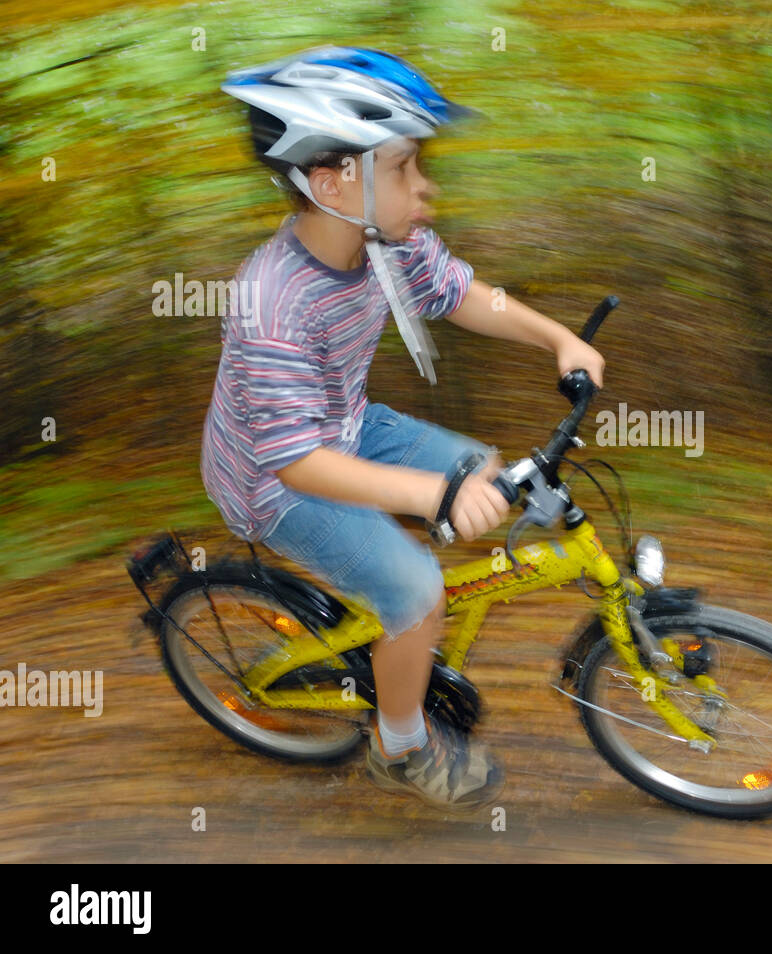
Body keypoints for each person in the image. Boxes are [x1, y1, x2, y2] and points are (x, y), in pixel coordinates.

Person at [199, 47, 605, 812]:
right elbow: (299, 464)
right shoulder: (271, 302)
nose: (427, 189)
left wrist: (559, 339)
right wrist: (431, 495)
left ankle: (392, 620)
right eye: (405, 167)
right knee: (418, 589)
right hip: (274, 478)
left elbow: (460, 297)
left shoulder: (389, 244)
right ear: (332, 182)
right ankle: (401, 745)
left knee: (484, 469)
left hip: (345, 427)